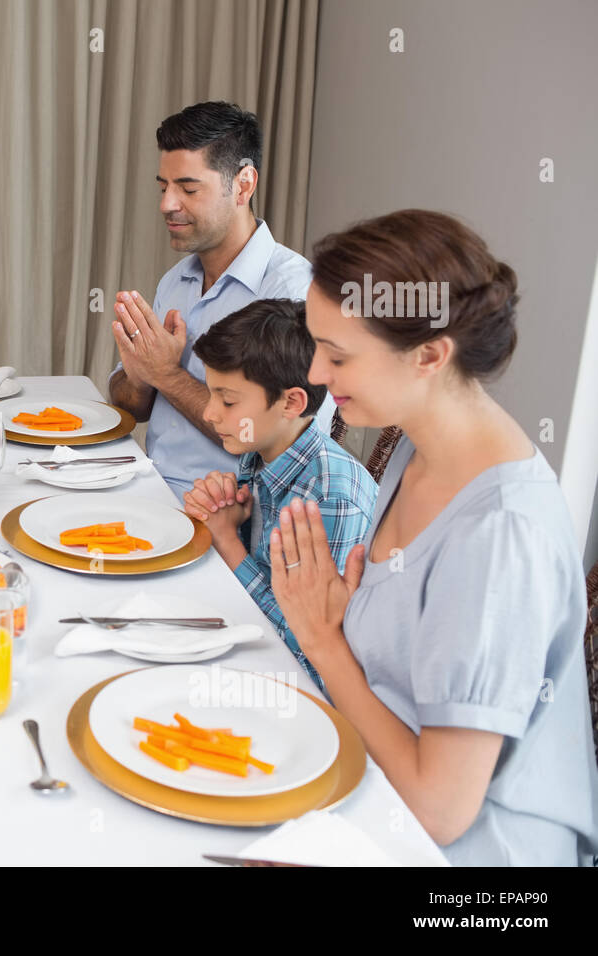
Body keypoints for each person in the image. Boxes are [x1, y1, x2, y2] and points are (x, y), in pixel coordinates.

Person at [267, 209, 598, 865]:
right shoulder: (415, 455)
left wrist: (326, 644)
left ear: (429, 356)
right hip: (376, 793)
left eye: (337, 355)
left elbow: (440, 812)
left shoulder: (502, 537)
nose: (316, 373)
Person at [107, 101, 330, 500]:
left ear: (244, 185)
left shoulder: (294, 292)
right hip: (150, 489)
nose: (167, 205)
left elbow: (293, 447)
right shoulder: (174, 282)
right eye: (163, 188)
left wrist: (166, 374)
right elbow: (133, 408)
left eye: (188, 189)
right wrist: (139, 375)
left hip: (231, 524)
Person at [181, 299, 376, 691]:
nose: (209, 413)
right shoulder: (264, 452)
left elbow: (312, 655)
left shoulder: (331, 497)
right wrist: (225, 506)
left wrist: (227, 542)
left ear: (291, 402)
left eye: (228, 400)